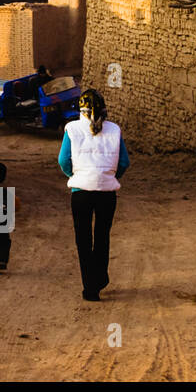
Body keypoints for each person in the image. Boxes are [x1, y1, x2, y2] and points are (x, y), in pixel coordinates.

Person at [59, 89, 129, 301]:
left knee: (83, 239)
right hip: (107, 193)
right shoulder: (114, 130)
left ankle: (90, 287)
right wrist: (107, 175)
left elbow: (63, 161)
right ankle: (100, 277)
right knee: (102, 236)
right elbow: (124, 162)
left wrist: (77, 175)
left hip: (81, 193)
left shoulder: (71, 128)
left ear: (81, 109)